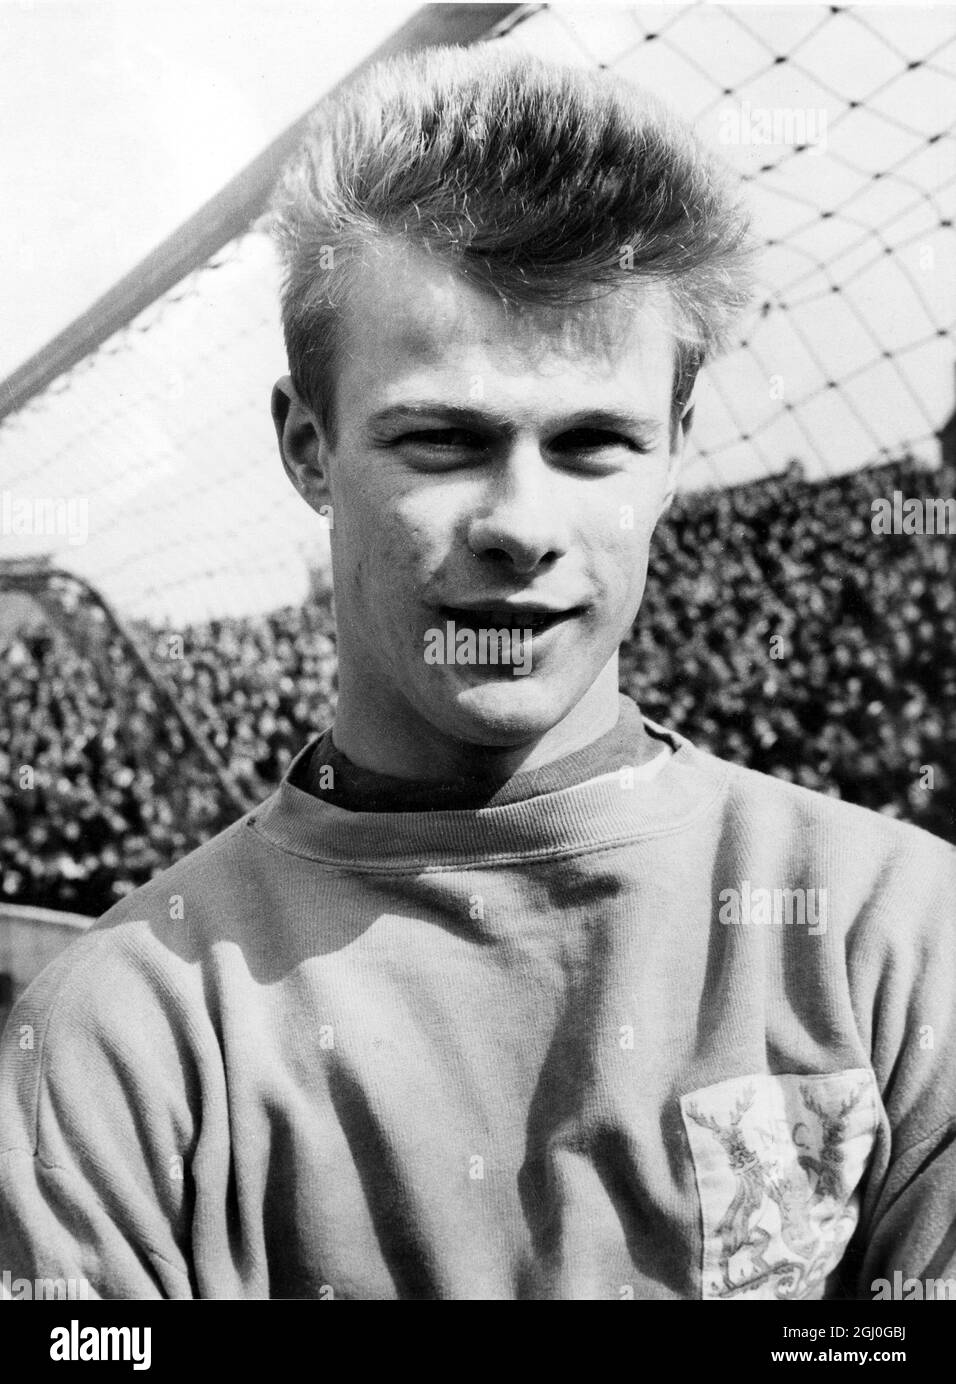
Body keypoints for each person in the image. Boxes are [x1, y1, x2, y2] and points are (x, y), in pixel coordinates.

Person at [1, 43, 953, 1303]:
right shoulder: (114, 1041)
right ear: (306, 445)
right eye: (442, 439)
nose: (519, 521)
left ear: (676, 449)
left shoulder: (898, 941)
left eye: (592, 443)